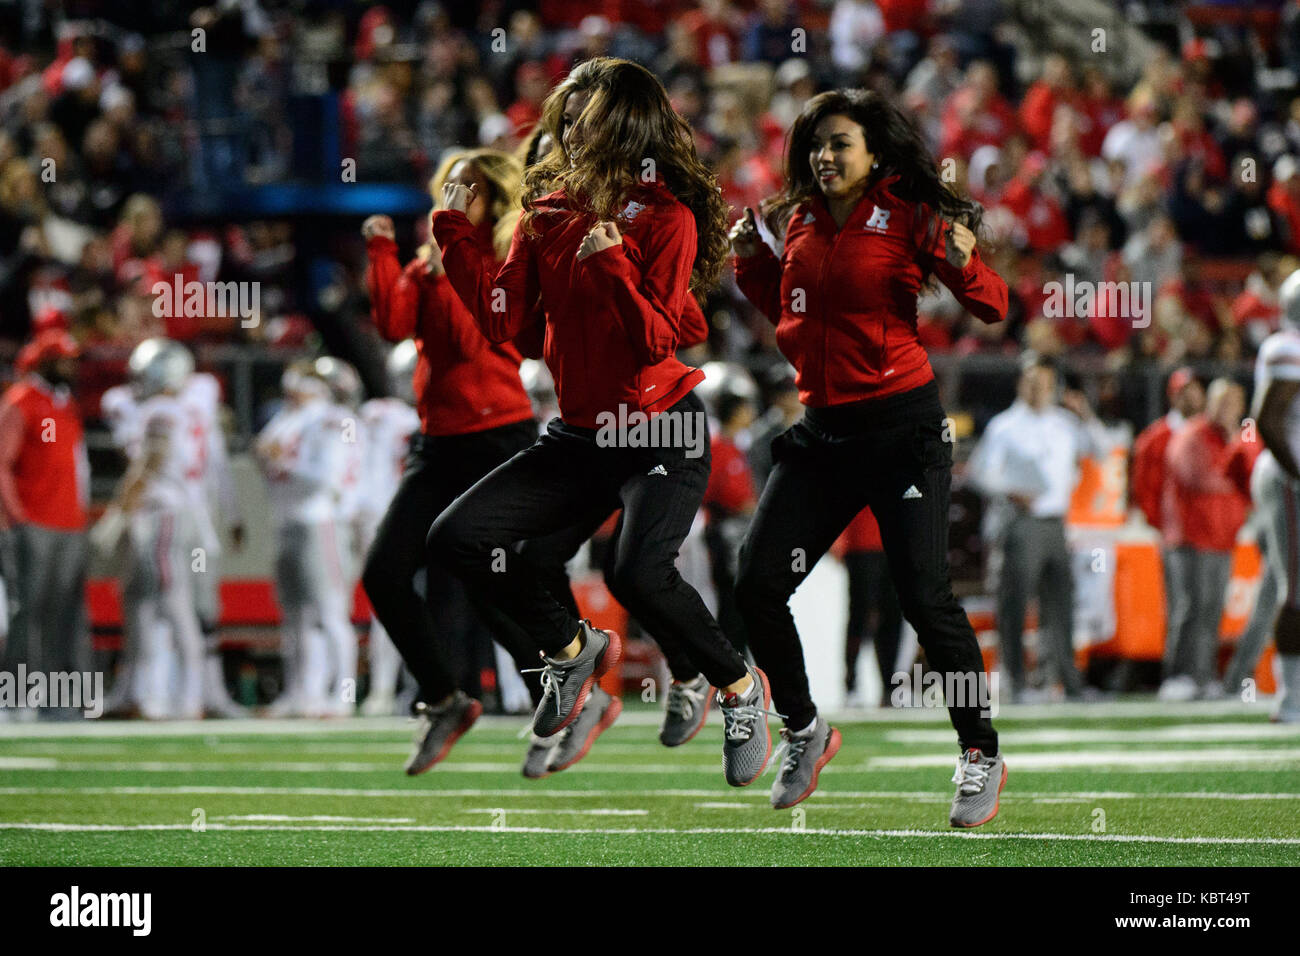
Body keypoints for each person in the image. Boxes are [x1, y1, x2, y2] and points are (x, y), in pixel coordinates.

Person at [428, 57, 770, 787]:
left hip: (658, 426)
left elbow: (655, 340)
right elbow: (503, 323)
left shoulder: (666, 214)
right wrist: (454, 234)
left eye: (584, 114)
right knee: (460, 536)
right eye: (567, 113)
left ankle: (740, 691)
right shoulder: (546, 212)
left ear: (625, 123)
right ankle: (571, 650)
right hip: (583, 433)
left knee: (636, 572)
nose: (569, 127)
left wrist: (613, 266)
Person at [731, 88, 1007, 824]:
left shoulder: (912, 211)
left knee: (924, 598)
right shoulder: (797, 220)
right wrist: (753, 267)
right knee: (756, 581)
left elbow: (993, 306)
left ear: (874, 151)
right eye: (818, 144)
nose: (824, 155)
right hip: (824, 432)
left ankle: (980, 751)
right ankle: (804, 729)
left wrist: (967, 263)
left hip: (902, 431)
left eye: (840, 142)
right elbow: (794, 315)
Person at [363, 147, 622, 776]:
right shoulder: (431, 263)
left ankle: (563, 696)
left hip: (498, 437)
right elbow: (392, 325)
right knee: (384, 575)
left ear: (495, 196)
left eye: (469, 188)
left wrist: (458, 249)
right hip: (439, 441)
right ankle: (446, 697)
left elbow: (503, 329)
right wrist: (381, 254)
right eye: (449, 185)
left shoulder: (506, 254)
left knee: (496, 585)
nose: (456, 196)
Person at [969, 355, 1093, 702]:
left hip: (1056, 522)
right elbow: (979, 473)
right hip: (1020, 521)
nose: (1039, 389)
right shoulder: (1004, 426)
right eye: (1032, 382)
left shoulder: (1066, 423)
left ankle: (1066, 681)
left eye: (1045, 383)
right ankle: (1017, 681)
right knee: (1015, 604)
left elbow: (1097, 450)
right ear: (1021, 384)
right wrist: (1010, 489)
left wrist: (1088, 416)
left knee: (1061, 605)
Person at [112, 339, 208, 720]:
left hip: (163, 512)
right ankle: (154, 694)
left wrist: (123, 505)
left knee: (171, 603)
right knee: (156, 604)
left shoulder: (160, 410)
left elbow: (150, 461)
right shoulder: (189, 408)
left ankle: (186, 698)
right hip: (176, 510)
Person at [0, 328, 89, 720]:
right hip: (35, 522)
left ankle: (56, 699)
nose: (70, 367)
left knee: (63, 615)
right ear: (47, 361)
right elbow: (1, 463)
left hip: (69, 522)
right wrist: (17, 517)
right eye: (64, 359)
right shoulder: (22, 400)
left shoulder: (65, 404)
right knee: (28, 612)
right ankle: (15, 697)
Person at [1160, 378, 1250, 700]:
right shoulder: (1193, 435)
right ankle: (1177, 676)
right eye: (1222, 402)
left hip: (1223, 538)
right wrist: (1237, 481)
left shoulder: (1238, 438)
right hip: (1191, 538)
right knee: (1189, 609)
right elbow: (1200, 477)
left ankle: (1203, 675)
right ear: (1210, 404)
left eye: (1234, 403)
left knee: (1212, 611)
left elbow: (1249, 478)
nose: (1229, 409)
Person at [356, 342, 421, 717]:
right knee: (395, 605)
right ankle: (385, 688)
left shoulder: (377, 413)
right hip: (391, 515)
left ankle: (395, 689)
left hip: (386, 514)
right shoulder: (389, 414)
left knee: (397, 605)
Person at [1250, 269, 1300, 722]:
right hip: (1290, 478)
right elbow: (1268, 421)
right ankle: (1291, 701)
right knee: (1296, 589)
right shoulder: (1289, 347)